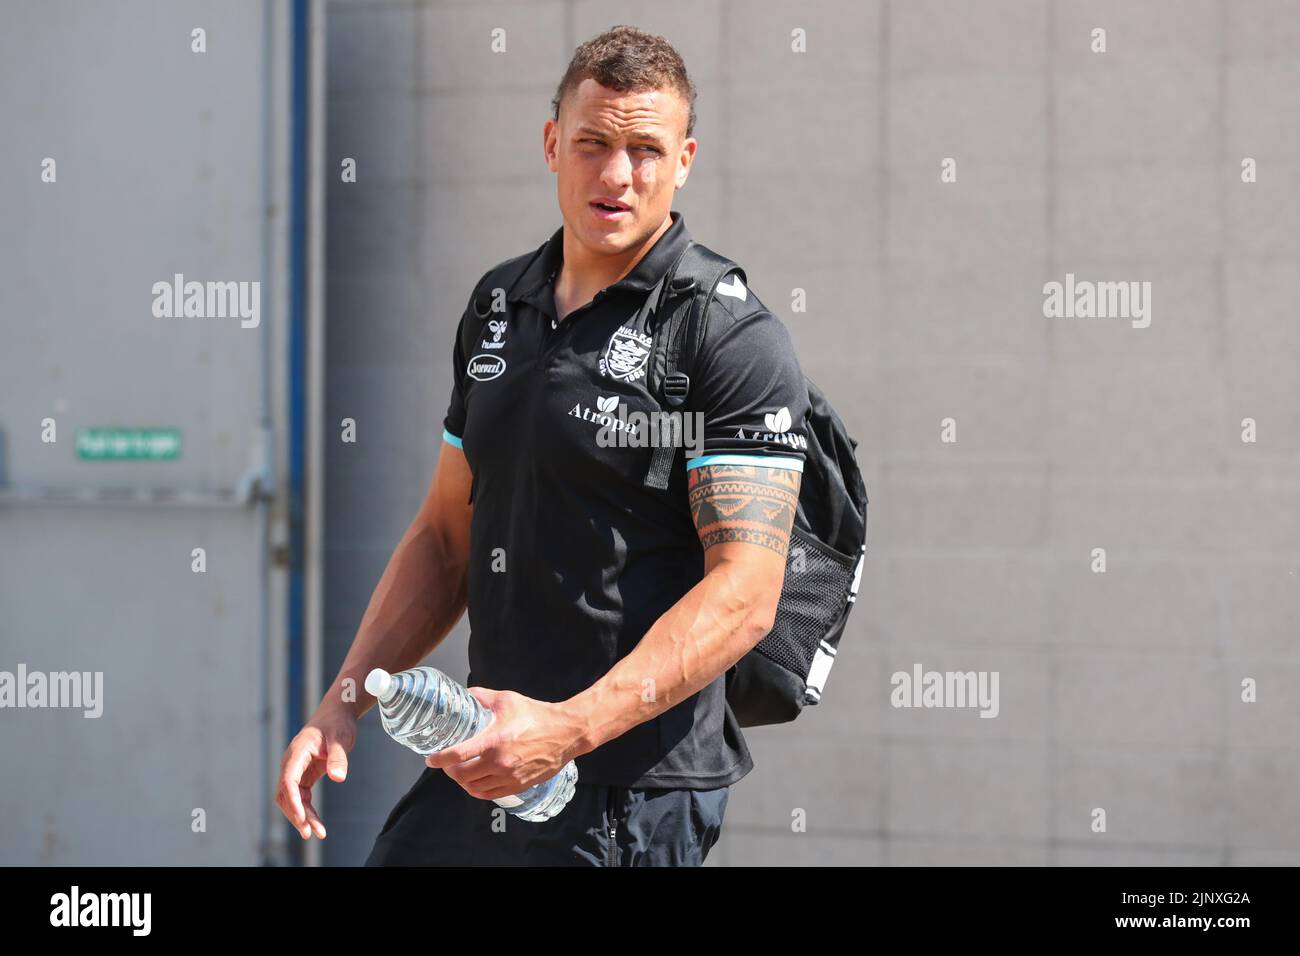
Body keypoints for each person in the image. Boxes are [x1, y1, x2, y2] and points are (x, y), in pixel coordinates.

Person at [276, 24, 812, 866]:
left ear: (684, 160)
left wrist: (567, 730)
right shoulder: (499, 302)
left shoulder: (724, 331)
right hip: (485, 757)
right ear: (553, 143)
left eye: (645, 149)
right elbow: (446, 538)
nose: (617, 174)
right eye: (594, 142)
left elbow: (746, 593)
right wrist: (343, 700)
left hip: (630, 792)